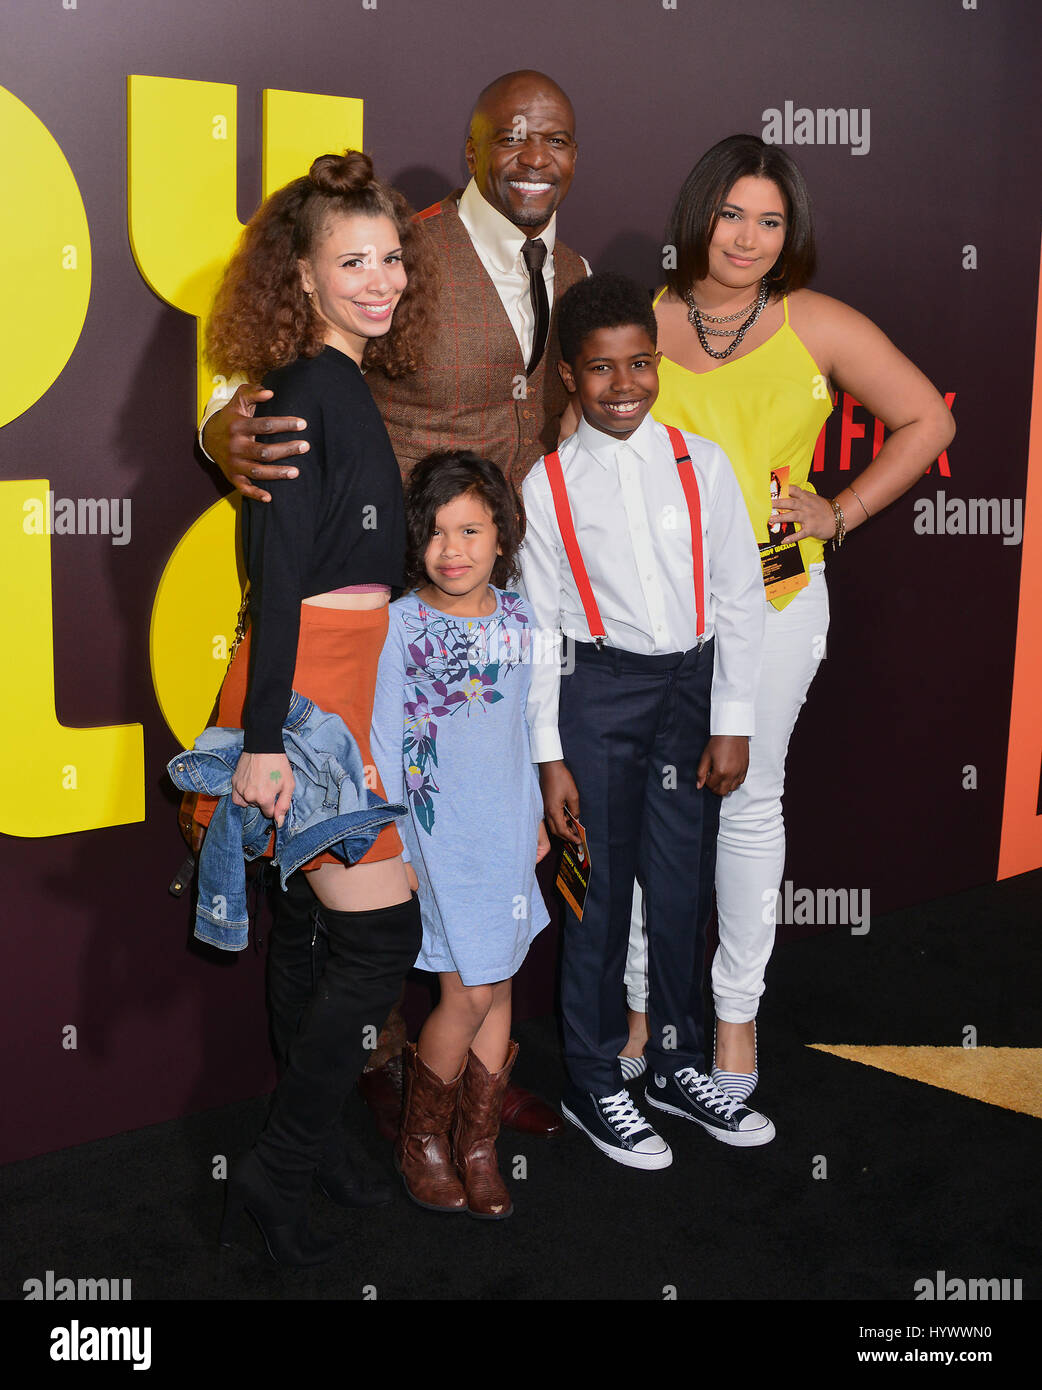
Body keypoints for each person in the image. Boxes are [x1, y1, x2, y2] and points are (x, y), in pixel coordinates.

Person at [198, 70, 588, 1140]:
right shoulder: (393, 247)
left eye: (553, 137)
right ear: (469, 146)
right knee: (348, 887)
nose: (531, 155)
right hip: (383, 629)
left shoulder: (575, 269)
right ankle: (364, 1085)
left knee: (477, 838)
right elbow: (280, 377)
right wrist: (221, 428)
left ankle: (448, 1076)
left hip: (489, 626)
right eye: (509, 135)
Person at [622, 134, 956, 1105]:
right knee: (651, 808)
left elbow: (928, 419)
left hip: (770, 601)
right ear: (699, 213)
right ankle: (641, 1012)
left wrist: (838, 512)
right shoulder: (642, 321)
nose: (749, 236)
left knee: (745, 804)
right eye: (732, 213)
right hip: (656, 611)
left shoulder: (814, 323)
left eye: (770, 220)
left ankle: (733, 1023)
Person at [200, 149, 437, 1263]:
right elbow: (281, 575)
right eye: (353, 260)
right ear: (300, 276)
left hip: (339, 680)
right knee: (379, 933)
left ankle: (318, 1141)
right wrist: (260, 744)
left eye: (390, 255)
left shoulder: (340, 384)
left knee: (309, 929)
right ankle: (279, 1164)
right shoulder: (305, 394)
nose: (380, 278)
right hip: (305, 695)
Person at [520, 273, 775, 1167]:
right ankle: (592, 1078)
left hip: (689, 696)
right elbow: (544, 632)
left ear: (657, 363)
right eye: (599, 370)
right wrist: (550, 756)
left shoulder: (700, 465)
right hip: (597, 697)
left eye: (638, 364)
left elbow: (741, 600)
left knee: (678, 888)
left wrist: (731, 719)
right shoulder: (545, 487)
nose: (622, 385)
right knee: (594, 893)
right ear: (567, 377)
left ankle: (671, 1060)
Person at [369, 452, 551, 1217]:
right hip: (437, 840)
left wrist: (539, 809)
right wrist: (398, 850)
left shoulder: (522, 618)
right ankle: (425, 1142)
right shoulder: (399, 626)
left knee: (499, 980)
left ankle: (479, 1146)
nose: (454, 550)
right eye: (438, 533)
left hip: (508, 831)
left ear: (502, 536)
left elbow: (530, 720)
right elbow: (380, 746)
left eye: (471, 530)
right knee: (468, 990)